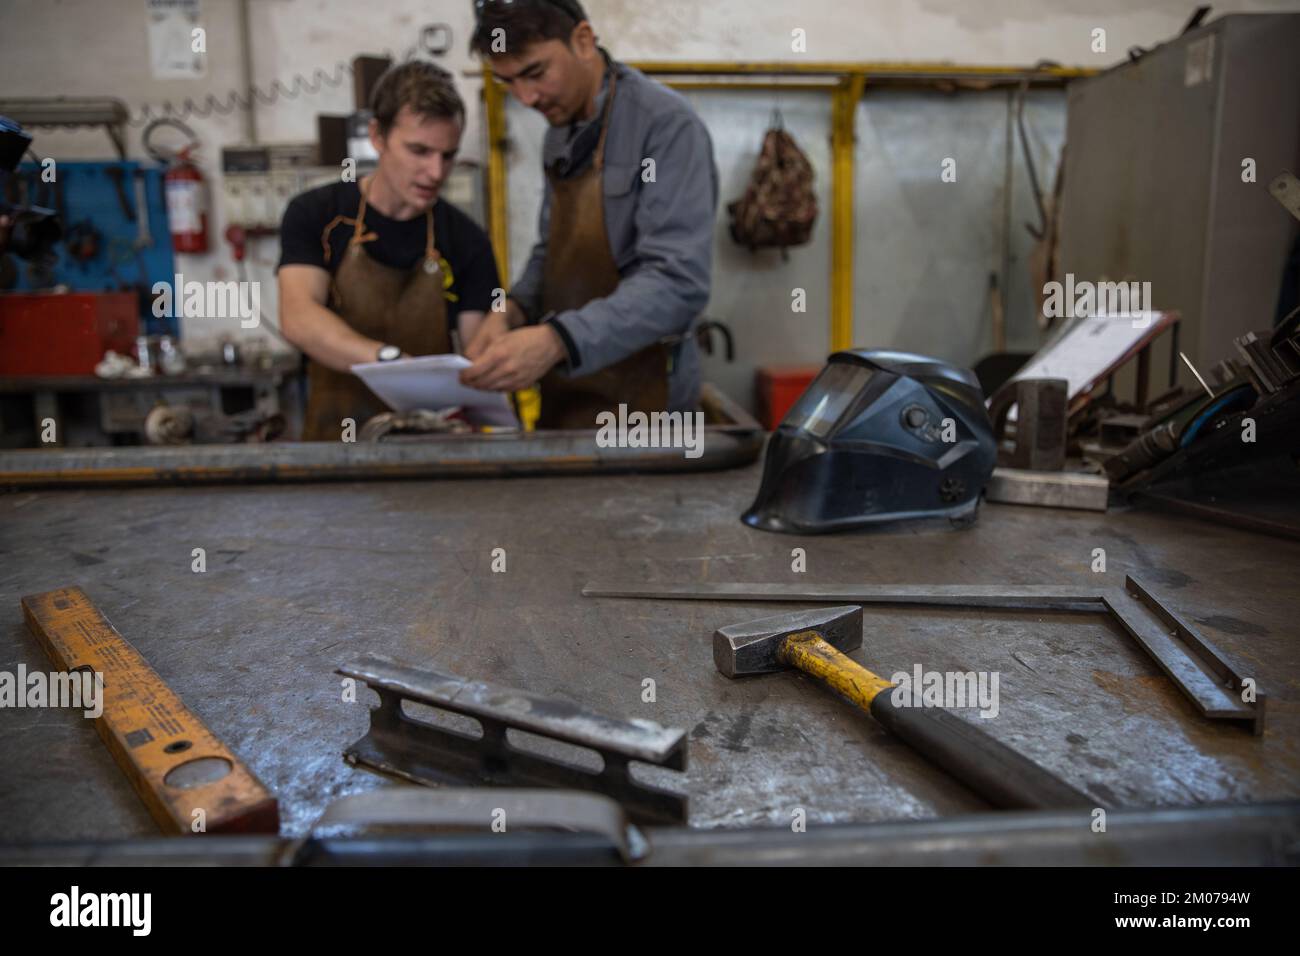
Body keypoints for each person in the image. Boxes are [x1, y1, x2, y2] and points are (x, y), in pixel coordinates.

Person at [463, 0, 718, 428]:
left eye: (535, 73)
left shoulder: (666, 126)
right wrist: (514, 309)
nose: (526, 98)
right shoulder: (558, 134)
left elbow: (678, 282)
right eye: (507, 82)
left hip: (647, 399)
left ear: (583, 40)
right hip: (570, 392)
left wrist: (557, 340)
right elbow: (551, 252)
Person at [278, 61, 499, 439]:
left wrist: (485, 366)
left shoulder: (467, 238)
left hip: (430, 453)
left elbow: (477, 343)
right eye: (419, 151)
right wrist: (390, 362)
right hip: (335, 449)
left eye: (447, 155)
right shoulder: (317, 214)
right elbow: (299, 317)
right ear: (377, 136)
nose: (435, 172)